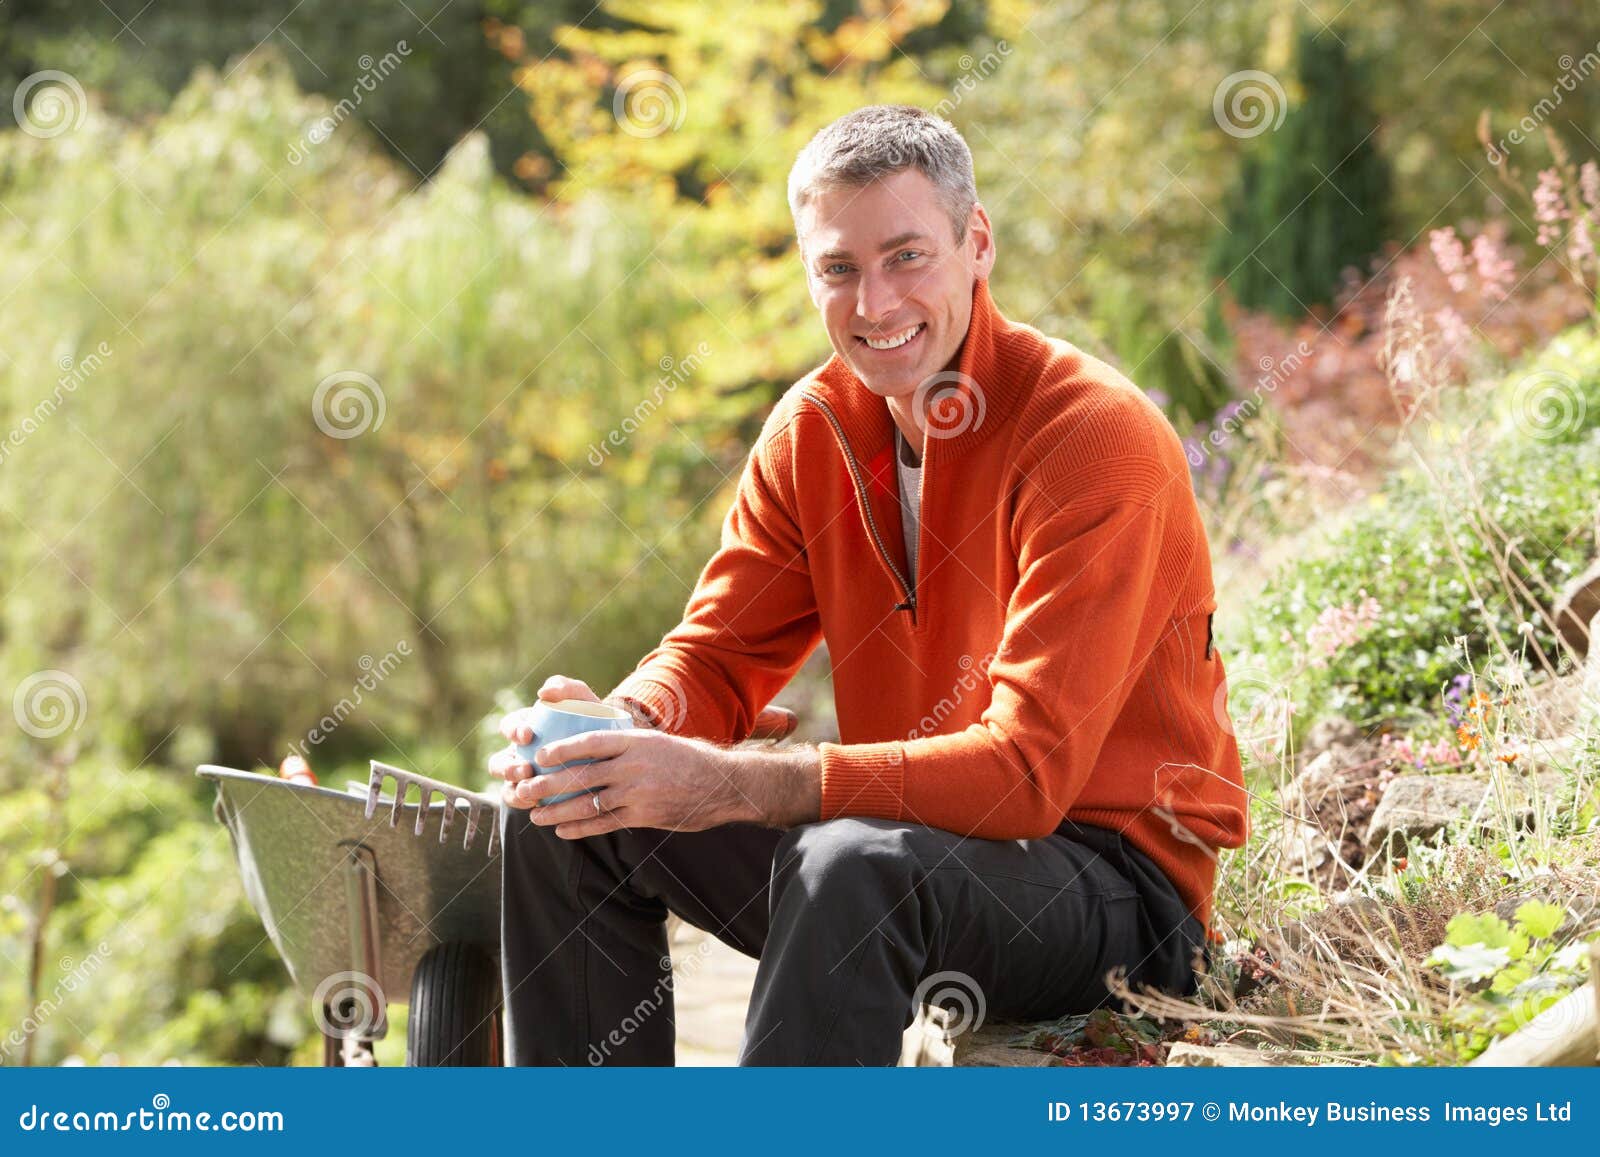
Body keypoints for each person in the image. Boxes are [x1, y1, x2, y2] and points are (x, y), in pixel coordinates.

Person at [488, 104, 1249, 1066]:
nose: (874, 304)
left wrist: (735, 784)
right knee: (572, 811)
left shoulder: (1091, 436)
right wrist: (629, 722)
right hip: (909, 850)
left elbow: (1024, 776)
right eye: (838, 269)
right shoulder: (813, 430)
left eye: (907, 257)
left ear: (977, 243)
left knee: (847, 862)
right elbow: (718, 654)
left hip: (1111, 890)